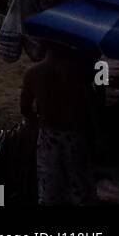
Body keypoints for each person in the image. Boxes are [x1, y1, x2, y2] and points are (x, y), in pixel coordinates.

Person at [20, 42, 96, 205]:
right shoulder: (79, 72)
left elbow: (25, 109)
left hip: (48, 135)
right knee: (79, 187)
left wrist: (39, 122)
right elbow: (91, 107)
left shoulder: (33, 72)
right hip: (75, 134)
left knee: (50, 188)